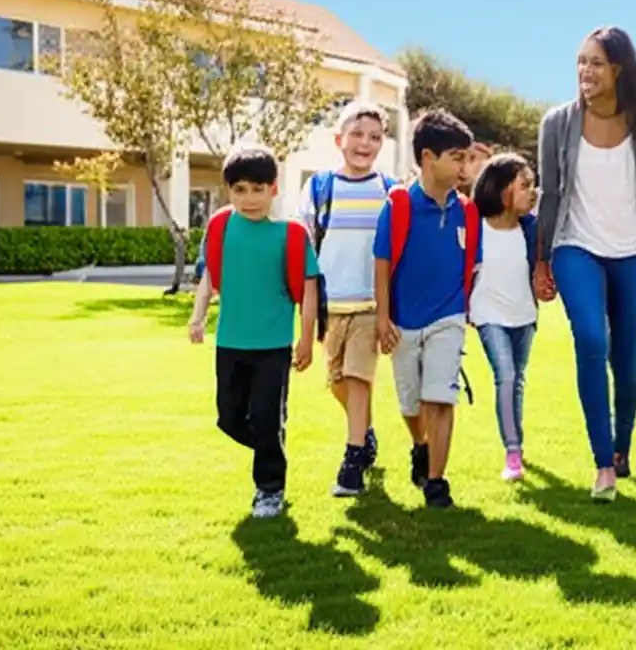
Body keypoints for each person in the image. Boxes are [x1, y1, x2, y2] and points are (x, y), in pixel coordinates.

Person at [533, 26, 636, 502]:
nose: (585, 71)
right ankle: (602, 463)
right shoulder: (558, 123)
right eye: (580, 62)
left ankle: (622, 446)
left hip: (634, 252)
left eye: (595, 62)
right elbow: (549, 194)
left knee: (626, 360)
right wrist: (541, 258)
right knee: (591, 340)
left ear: (618, 68)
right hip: (577, 247)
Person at [188, 145, 319, 518]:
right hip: (229, 341)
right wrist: (197, 319)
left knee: (263, 417)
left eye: (258, 189)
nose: (249, 199)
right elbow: (210, 274)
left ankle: (269, 489)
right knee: (228, 418)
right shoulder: (220, 226)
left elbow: (308, 289)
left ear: (274, 189)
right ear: (229, 190)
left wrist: (305, 338)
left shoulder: (291, 233)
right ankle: (271, 440)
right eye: (240, 190)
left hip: (273, 345)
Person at [374, 108, 480, 508]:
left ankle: (437, 481)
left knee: (440, 396)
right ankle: (420, 444)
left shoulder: (466, 211)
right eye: (457, 157)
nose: (464, 166)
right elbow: (382, 263)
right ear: (427, 158)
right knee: (410, 402)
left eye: (467, 157)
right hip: (403, 321)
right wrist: (383, 318)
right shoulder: (398, 204)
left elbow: (474, 263)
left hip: (449, 316)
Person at [297, 101, 398, 498]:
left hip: (372, 305)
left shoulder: (390, 192)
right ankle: (366, 432)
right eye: (356, 134)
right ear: (339, 139)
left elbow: (399, 252)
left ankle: (353, 459)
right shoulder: (320, 187)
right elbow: (304, 244)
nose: (365, 143)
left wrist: (393, 312)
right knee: (338, 381)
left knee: (359, 377)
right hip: (329, 305)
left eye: (374, 137)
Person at [469, 153, 540, 481]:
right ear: (501, 188)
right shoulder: (475, 227)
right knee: (506, 376)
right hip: (488, 314)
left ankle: (517, 444)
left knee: (518, 381)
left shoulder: (531, 229)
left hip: (524, 315)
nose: (532, 192)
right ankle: (513, 452)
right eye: (524, 185)